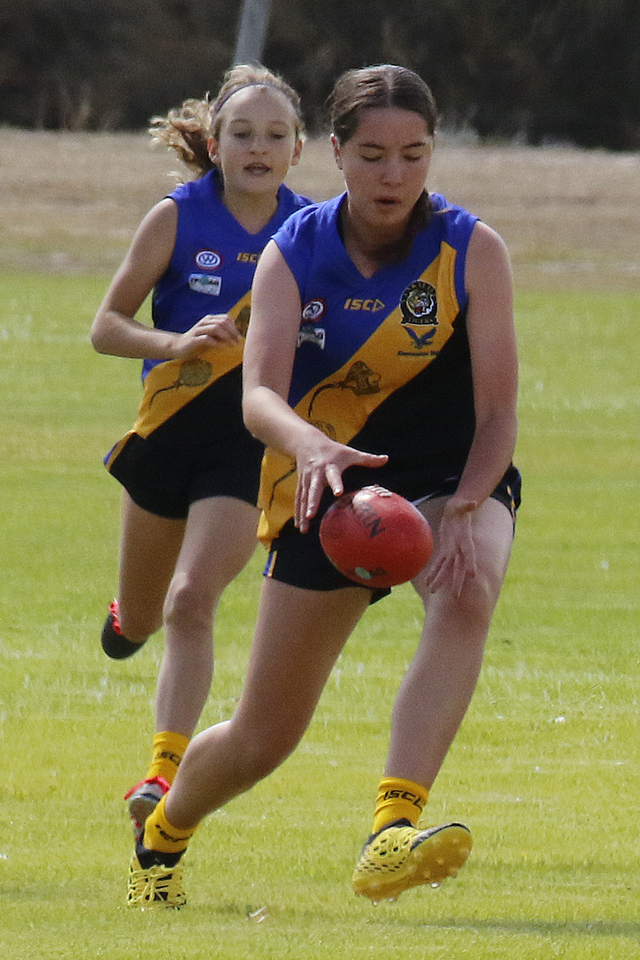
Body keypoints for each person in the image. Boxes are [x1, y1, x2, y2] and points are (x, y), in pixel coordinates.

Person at [126, 63, 521, 909]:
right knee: (264, 737)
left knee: (468, 586)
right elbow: (258, 394)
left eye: (414, 154)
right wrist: (310, 448)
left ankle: (391, 831)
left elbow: (498, 414)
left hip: (448, 474)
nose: (394, 175)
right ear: (335, 153)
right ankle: (163, 836)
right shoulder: (292, 252)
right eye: (373, 154)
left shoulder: (470, 250)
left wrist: (465, 507)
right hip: (325, 485)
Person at [90, 64, 309, 842]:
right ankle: (126, 617)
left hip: (246, 448)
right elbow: (105, 325)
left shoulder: (312, 230)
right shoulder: (177, 219)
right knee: (147, 615)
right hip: (166, 436)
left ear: (298, 150)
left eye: (275, 135)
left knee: (192, 600)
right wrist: (174, 341)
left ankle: (163, 769)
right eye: (243, 134)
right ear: (215, 147)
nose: (258, 147)